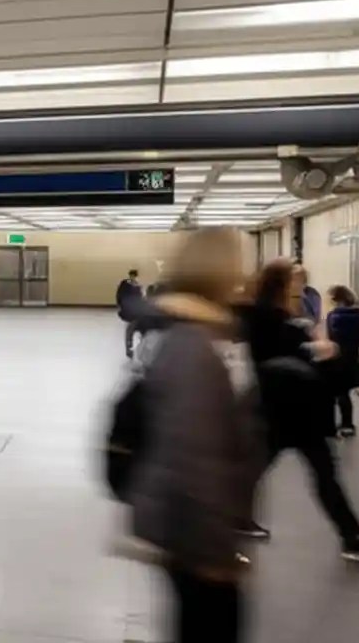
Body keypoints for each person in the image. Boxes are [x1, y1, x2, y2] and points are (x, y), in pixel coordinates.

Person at [129, 228, 264, 643]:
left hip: (194, 527)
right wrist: (213, 549)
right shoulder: (192, 342)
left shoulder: (205, 332)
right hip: (195, 533)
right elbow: (192, 451)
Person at [238, 260, 359, 561]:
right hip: (281, 409)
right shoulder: (265, 317)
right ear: (281, 285)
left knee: (321, 473)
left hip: (299, 411)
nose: (301, 288)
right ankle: (351, 536)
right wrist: (318, 348)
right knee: (266, 471)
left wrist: (316, 344)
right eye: (295, 282)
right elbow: (278, 356)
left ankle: (352, 536)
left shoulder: (286, 315)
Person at [325, 285, 359, 437]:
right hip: (352, 359)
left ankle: (329, 426)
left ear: (336, 299)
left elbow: (331, 338)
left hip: (336, 360)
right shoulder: (358, 316)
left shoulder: (333, 317)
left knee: (331, 395)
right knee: (344, 394)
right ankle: (347, 424)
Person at [116, 269, 143, 358]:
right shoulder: (126, 283)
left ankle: (131, 347)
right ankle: (129, 348)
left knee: (130, 330)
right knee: (130, 330)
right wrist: (120, 304)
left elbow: (140, 297)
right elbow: (119, 294)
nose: (133, 277)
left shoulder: (137, 285)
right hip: (129, 309)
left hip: (134, 310)